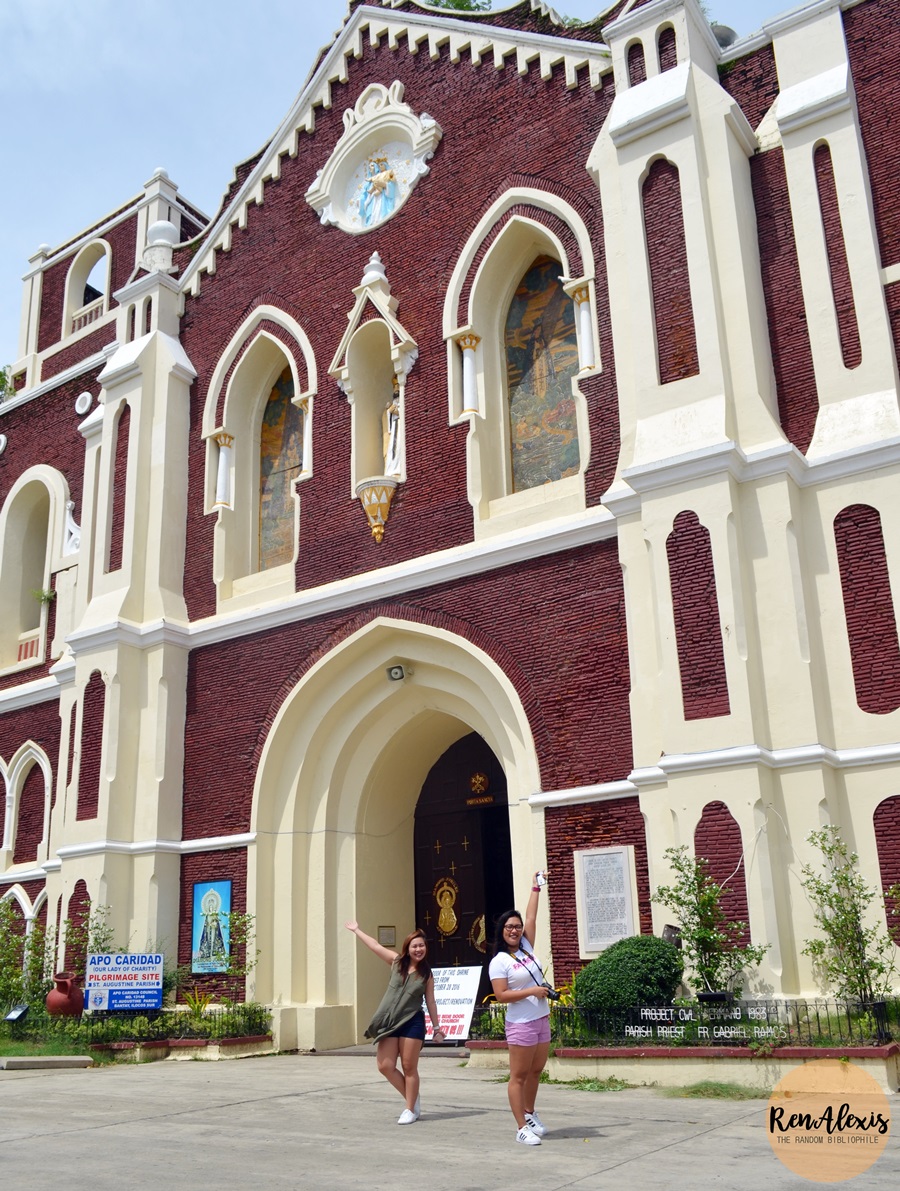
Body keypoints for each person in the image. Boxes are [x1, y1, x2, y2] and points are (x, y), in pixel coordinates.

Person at [346, 920, 445, 1123]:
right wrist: (357, 930)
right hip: (391, 1022)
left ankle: (409, 1109)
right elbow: (375, 946)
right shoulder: (397, 963)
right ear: (407, 948)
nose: (419, 949)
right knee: (385, 1065)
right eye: (415, 946)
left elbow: (431, 1001)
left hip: (413, 1022)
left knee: (409, 1067)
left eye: (422, 946)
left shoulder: (427, 974)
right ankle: (413, 1098)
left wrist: (437, 1028)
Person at [489, 872, 552, 1146]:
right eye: (508, 927)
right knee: (518, 1076)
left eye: (516, 926)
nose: (514, 930)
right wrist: (533, 991)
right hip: (521, 1023)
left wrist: (536, 887)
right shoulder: (499, 961)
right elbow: (501, 995)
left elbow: (532, 917)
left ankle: (529, 1113)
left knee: (536, 1071)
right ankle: (520, 1128)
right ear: (502, 931)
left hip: (540, 1018)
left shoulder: (526, 948)